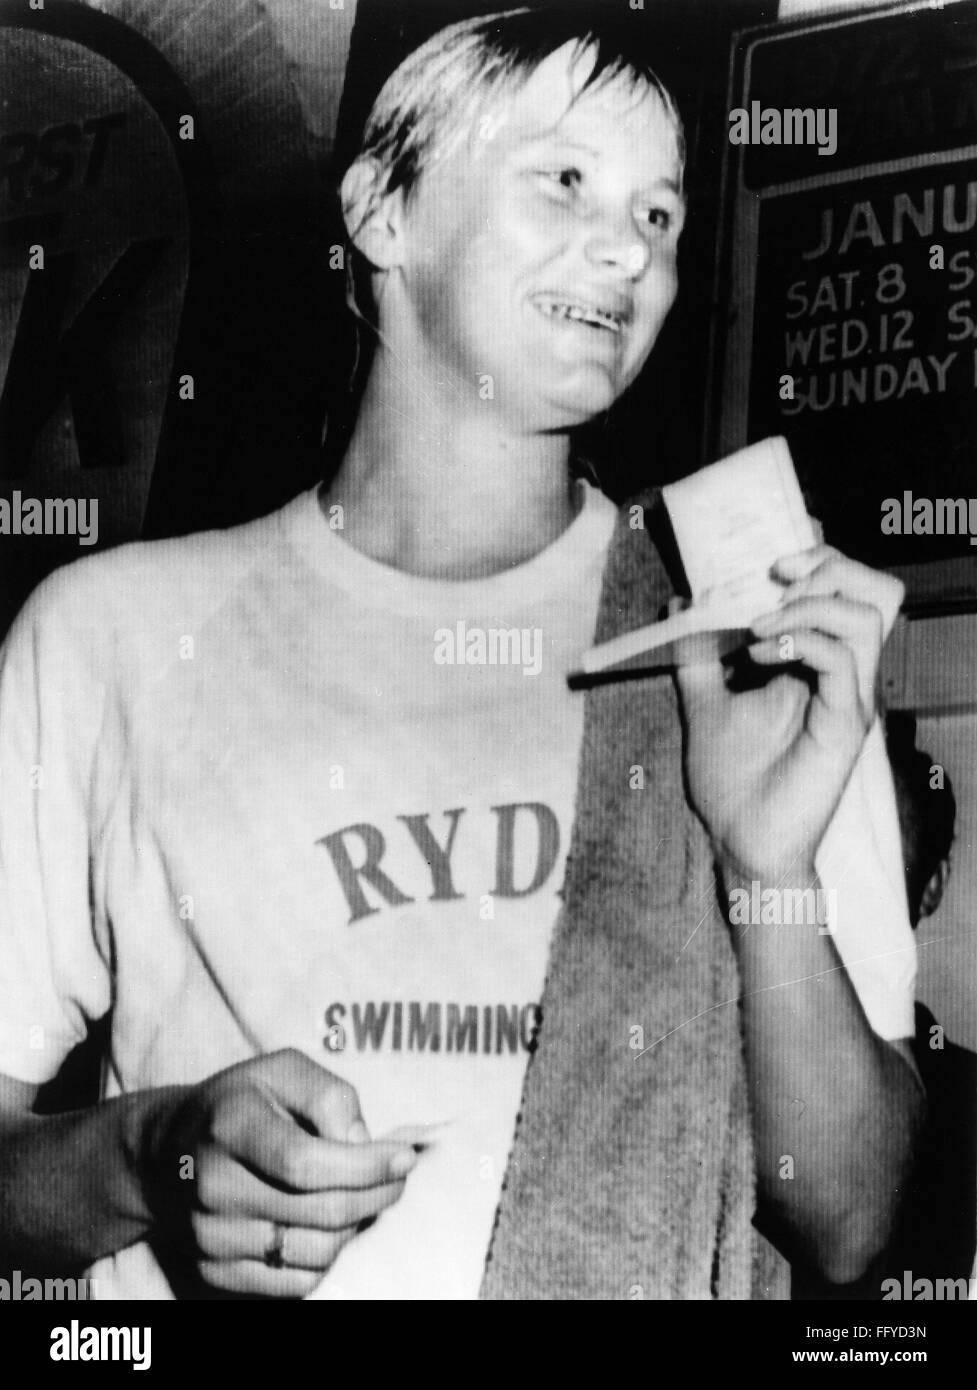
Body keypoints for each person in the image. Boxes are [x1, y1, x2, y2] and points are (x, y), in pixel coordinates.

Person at [0, 9, 923, 1300]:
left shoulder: (745, 637)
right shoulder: (105, 632)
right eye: (564, 180)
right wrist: (157, 1153)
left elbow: (846, 1218)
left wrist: (767, 869)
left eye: (660, 214)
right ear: (381, 212)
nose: (626, 248)